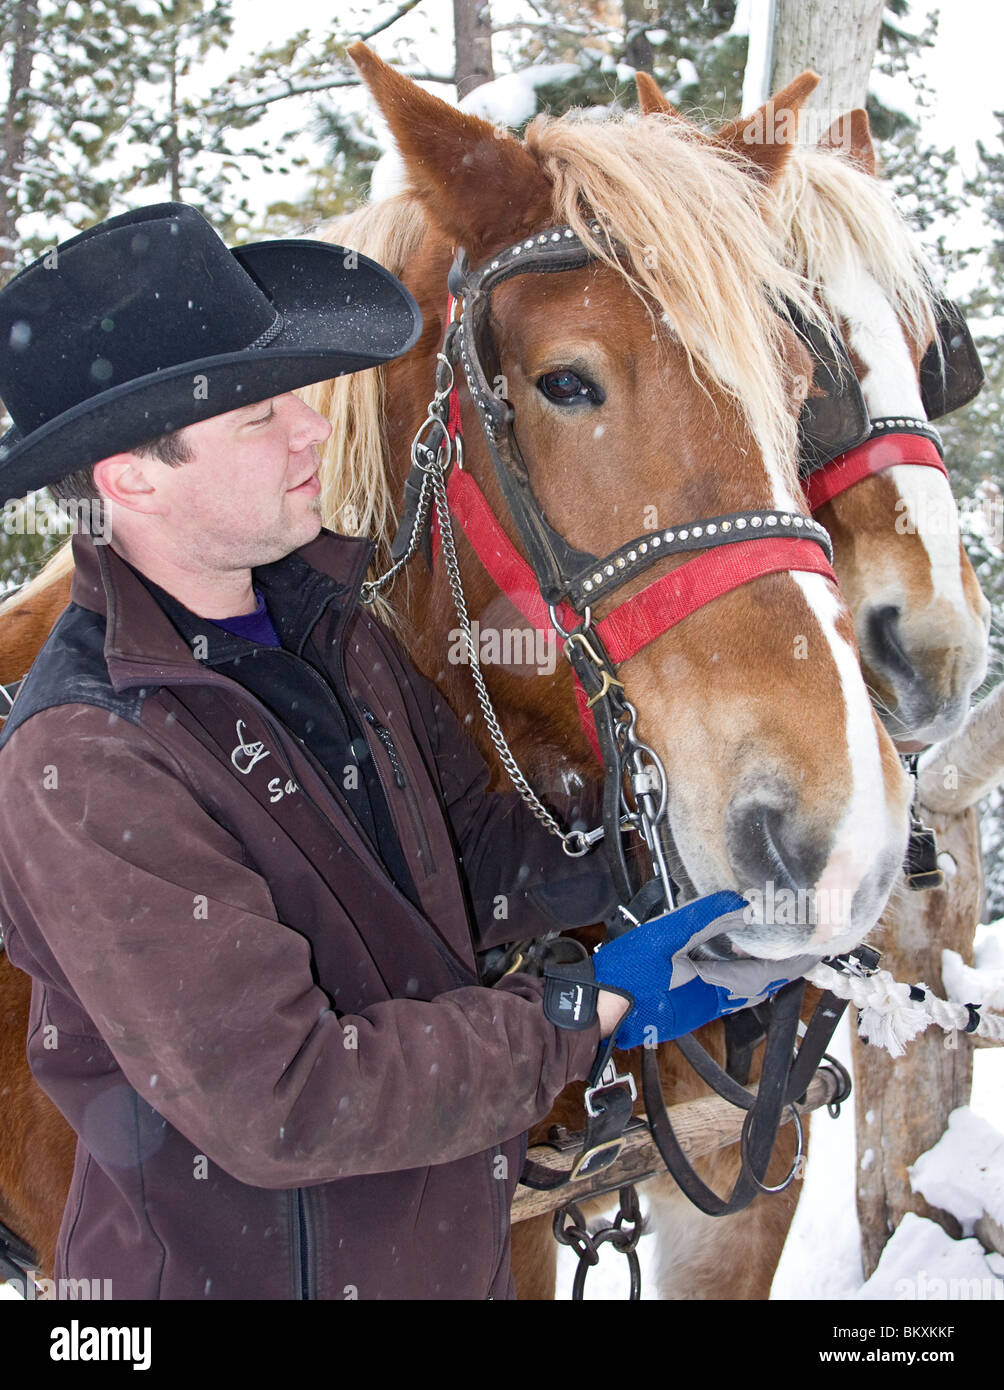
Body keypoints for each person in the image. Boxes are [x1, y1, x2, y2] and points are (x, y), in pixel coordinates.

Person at [0, 202, 643, 1301]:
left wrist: (636, 853)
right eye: (258, 418)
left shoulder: (330, 635)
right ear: (131, 478)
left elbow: (462, 858)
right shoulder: (87, 759)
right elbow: (286, 1098)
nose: (313, 429)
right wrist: (559, 1025)